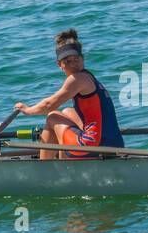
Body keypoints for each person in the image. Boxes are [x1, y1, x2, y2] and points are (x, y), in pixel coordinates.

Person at [14, 29, 123, 160]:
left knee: (52, 117)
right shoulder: (89, 77)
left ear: (82, 59)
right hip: (115, 144)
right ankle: (61, 159)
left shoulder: (76, 79)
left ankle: (45, 169)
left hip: (94, 146)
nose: (73, 64)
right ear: (59, 64)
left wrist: (27, 110)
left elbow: (49, 105)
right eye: (67, 61)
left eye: (76, 59)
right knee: (67, 111)